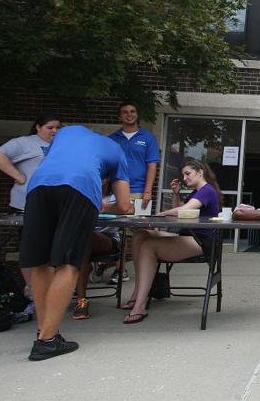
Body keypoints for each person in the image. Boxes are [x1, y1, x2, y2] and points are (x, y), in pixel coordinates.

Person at [19, 125, 133, 361]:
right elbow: (124, 206)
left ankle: (45, 332)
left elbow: (55, 161)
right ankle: (47, 342)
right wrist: (106, 203)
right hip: (79, 186)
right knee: (68, 262)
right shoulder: (116, 149)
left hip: (38, 186)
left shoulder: (65, 134)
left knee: (40, 263)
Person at [120, 159, 221, 324]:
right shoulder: (196, 192)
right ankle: (137, 294)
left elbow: (185, 209)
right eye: (183, 174)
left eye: (187, 173)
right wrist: (176, 193)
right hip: (187, 237)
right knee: (140, 235)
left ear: (200, 172)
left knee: (148, 246)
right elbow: (181, 209)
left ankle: (139, 306)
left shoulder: (206, 190)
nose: (185, 178)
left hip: (201, 241)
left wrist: (160, 214)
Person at [0, 113, 62, 319]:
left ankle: (48, 295)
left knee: (50, 252)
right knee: (30, 251)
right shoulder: (24, 143)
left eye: (57, 128)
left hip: (52, 207)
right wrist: (17, 176)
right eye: (50, 127)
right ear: (38, 127)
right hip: (25, 206)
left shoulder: (60, 146)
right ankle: (33, 295)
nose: (54, 131)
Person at [105, 102, 161, 284]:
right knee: (113, 231)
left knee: (139, 233)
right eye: (125, 112)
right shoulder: (112, 139)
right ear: (119, 117)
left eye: (132, 111)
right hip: (116, 192)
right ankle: (118, 268)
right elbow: (106, 167)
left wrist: (147, 191)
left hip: (139, 191)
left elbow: (152, 166)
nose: (129, 115)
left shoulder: (148, 138)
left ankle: (138, 269)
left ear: (137, 114)